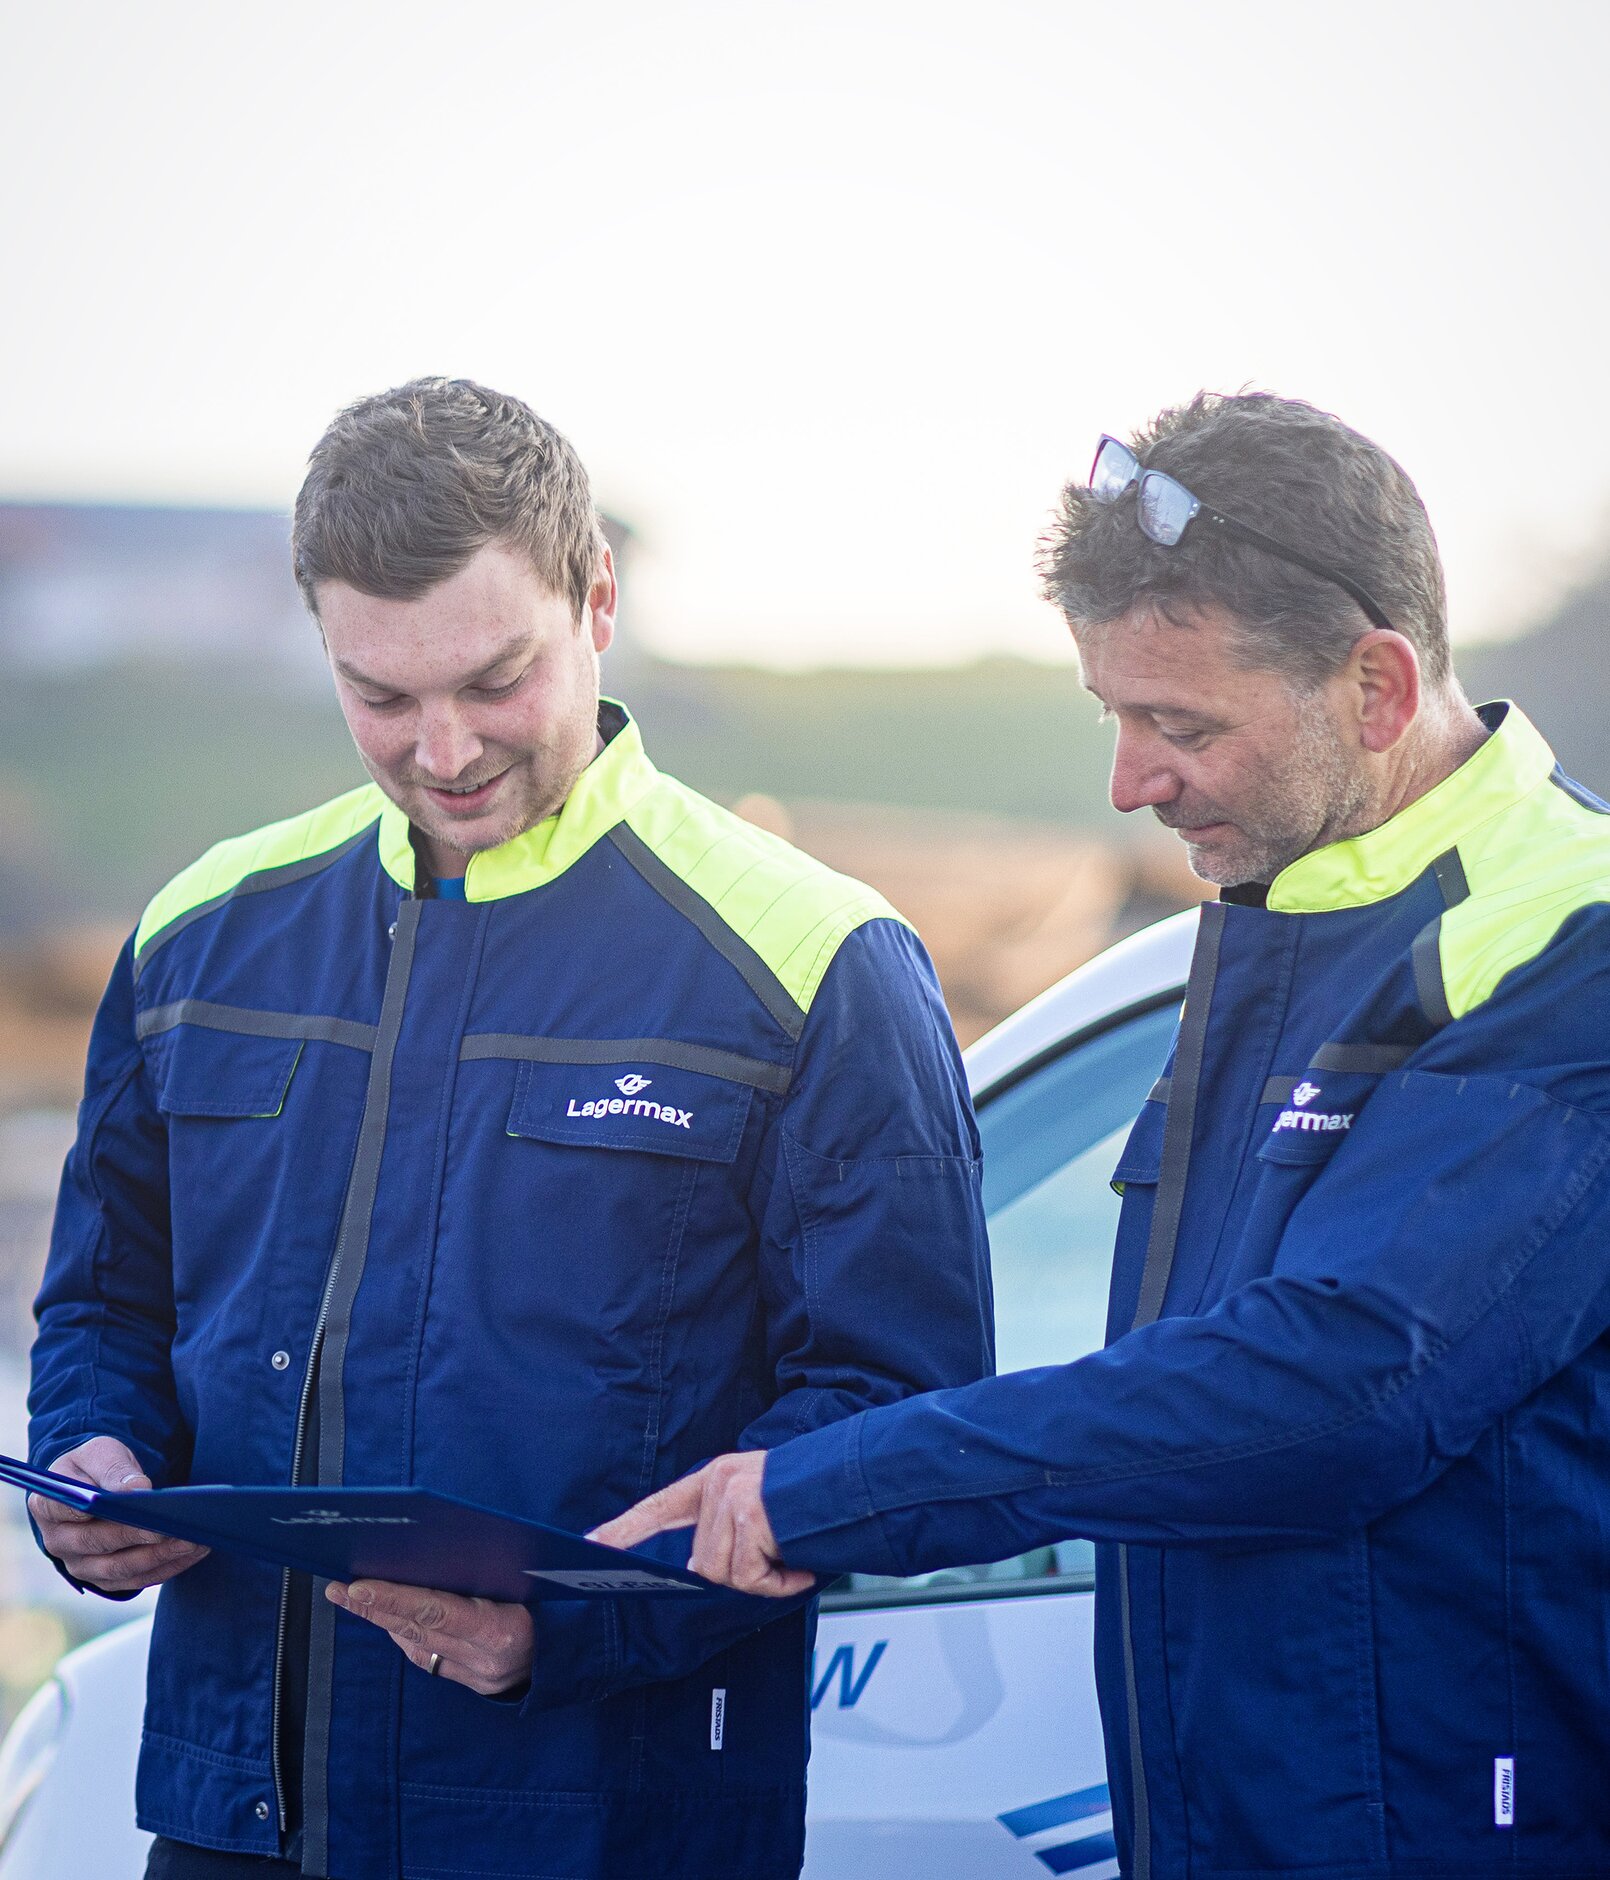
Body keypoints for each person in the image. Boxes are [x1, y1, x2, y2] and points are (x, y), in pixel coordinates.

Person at [599, 392, 1610, 1878]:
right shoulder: (1289, 918)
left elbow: (1331, 1387)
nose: (1129, 783)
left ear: (1377, 687)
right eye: (1114, 717)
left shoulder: (1566, 944)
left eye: (1180, 725)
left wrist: (826, 1489)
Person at [26, 377, 993, 1880]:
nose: (444, 749)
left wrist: (575, 1628)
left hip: (603, 1818)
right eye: (380, 696)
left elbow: (893, 1405)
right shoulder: (200, 936)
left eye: (495, 680)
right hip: (234, 1818)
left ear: (596, 598)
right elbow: (103, 1301)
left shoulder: (814, 961)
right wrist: (91, 1457)